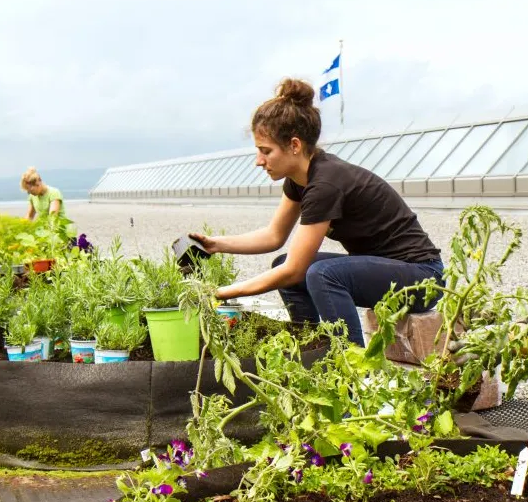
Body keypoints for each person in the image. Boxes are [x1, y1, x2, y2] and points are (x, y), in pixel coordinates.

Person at [189, 78, 444, 347]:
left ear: (295, 145)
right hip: (390, 273)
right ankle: (310, 349)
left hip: (422, 278)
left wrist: (219, 293)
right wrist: (216, 245)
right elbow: (273, 235)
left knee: (320, 274)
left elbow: (295, 270)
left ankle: (350, 365)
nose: (258, 161)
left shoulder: (326, 183)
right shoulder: (300, 180)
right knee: (283, 264)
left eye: (266, 151)